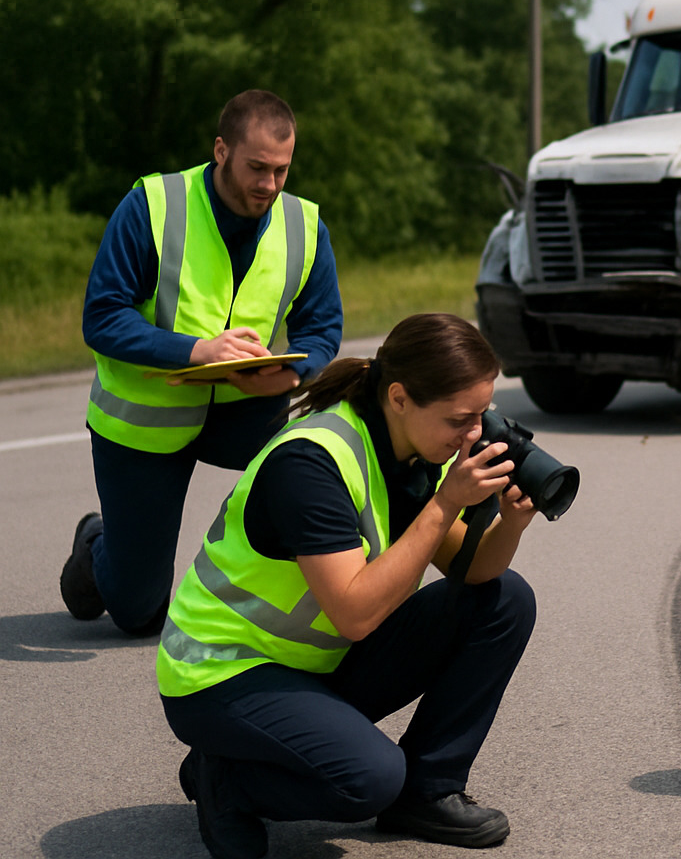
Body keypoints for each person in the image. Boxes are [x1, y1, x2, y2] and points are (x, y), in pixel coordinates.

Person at [156, 312, 539, 858]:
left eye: (482, 415)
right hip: (221, 674)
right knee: (369, 780)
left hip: (311, 666)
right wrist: (447, 501)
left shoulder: (407, 448)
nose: (475, 434)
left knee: (505, 600)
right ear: (401, 397)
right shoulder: (311, 463)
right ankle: (226, 779)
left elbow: (473, 571)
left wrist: (512, 523)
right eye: (461, 419)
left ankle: (427, 791)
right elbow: (355, 615)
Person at [60, 90, 343, 636]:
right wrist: (196, 351)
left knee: (319, 472)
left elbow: (322, 328)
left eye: (281, 170)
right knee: (139, 612)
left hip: (249, 414)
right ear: (221, 150)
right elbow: (102, 315)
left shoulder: (304, 224)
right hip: (145, 421)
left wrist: (293, 373)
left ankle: (304, 594)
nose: (269, 185)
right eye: (256, 168)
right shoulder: (152, 204)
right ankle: (98, 541)